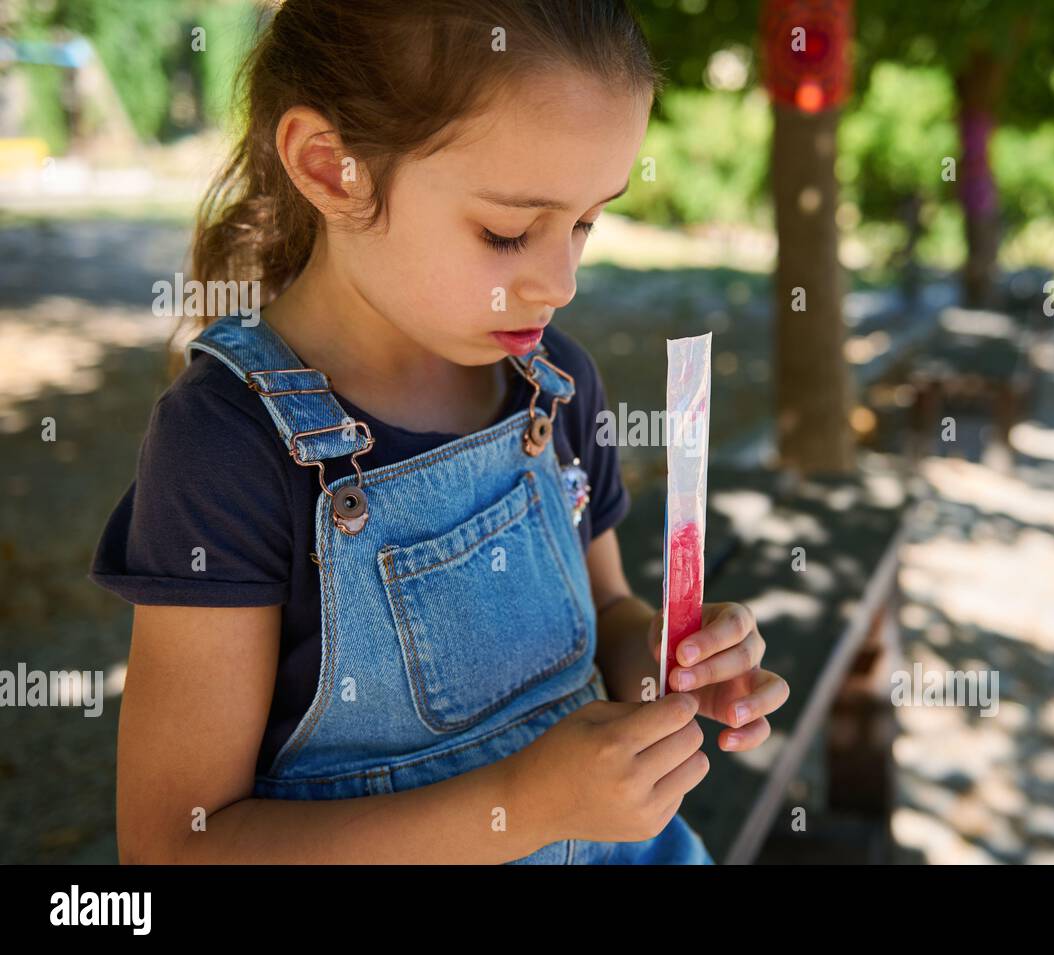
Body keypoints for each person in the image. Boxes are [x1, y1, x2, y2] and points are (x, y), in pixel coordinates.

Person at [90, 0, 789, 864]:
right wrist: (519, 805)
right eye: (506, 232)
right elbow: (173, 848)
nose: (560, 282)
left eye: (584, 223)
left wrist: (667, 666)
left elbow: (607, 607)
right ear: (332, 168)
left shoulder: (552, 385)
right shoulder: (226, 448)